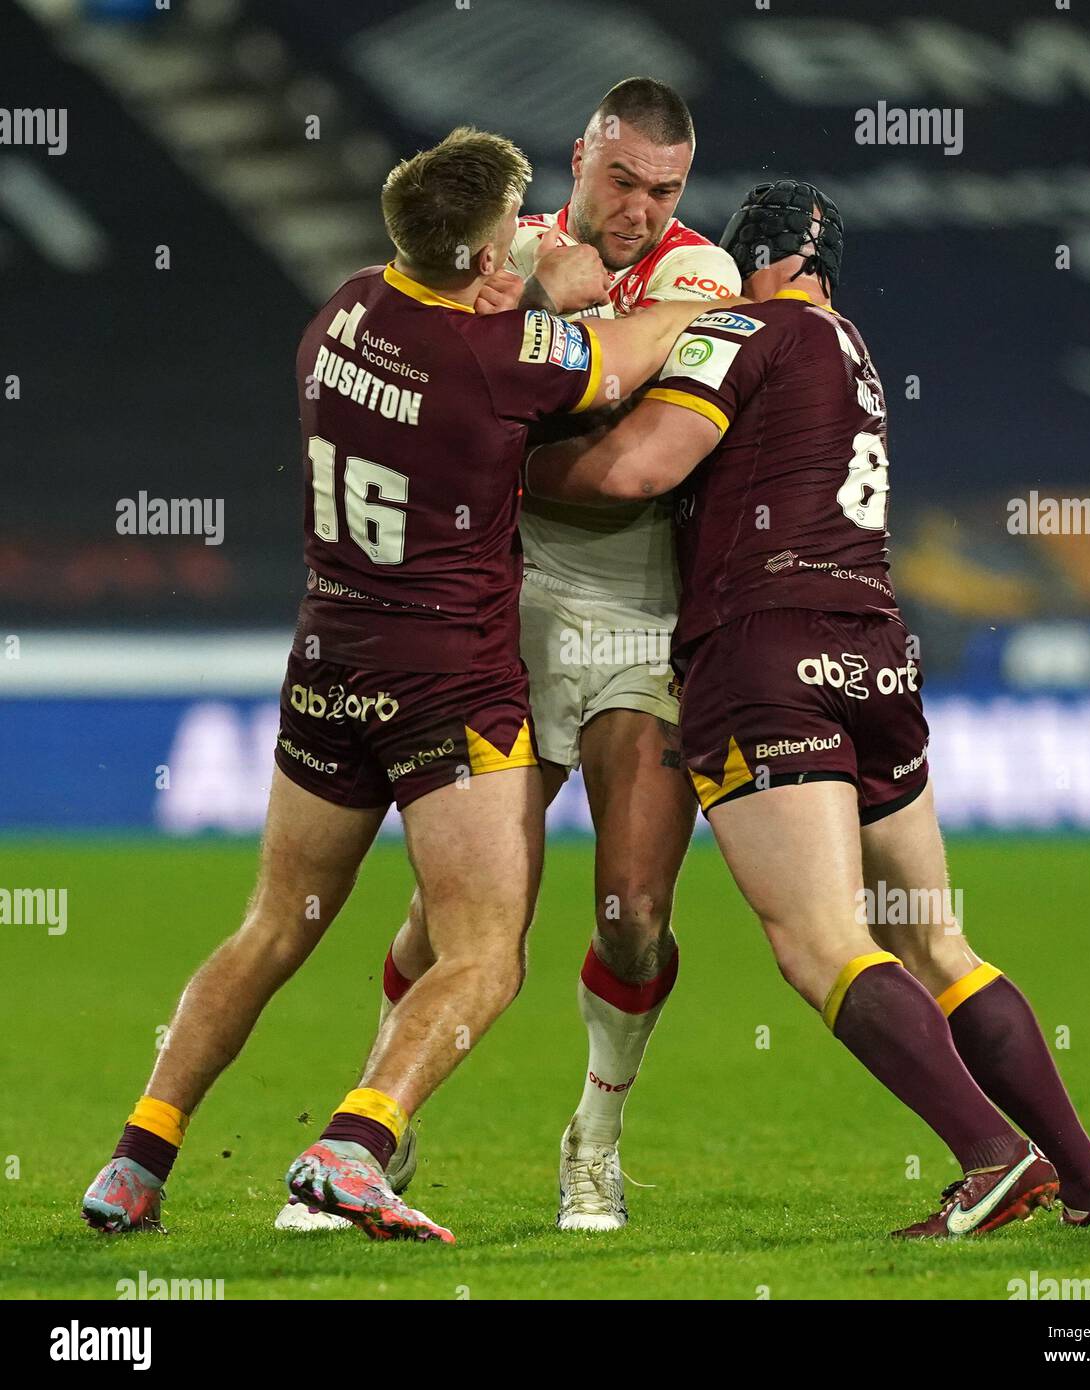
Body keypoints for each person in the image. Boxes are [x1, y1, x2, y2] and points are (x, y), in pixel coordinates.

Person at [80, 126, 732, 1243]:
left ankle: (136, 1158)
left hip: (328, 662)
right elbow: (622, 362)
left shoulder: (339, 313)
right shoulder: (501, 361)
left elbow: (471, 322)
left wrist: (526, 290)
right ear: (486, 260)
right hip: (447, 679)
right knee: (484, 951)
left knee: (273, 926)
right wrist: (694, 307)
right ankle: (357, 1142)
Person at [525, 179, 1090, 1236]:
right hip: (874, 653)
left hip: (763, 646)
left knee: (821, 941)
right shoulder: (852, 350)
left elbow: (639, 466)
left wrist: (496, 469)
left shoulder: (743, 324)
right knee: (936, 941)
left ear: (750, 259)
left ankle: (991, 1158)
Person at [282, 78, 742, 1235]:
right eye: (622, 178)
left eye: (665, 188)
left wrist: (482, 454)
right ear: (580, 153)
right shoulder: (509, 244)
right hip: (512, 609)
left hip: (643, 612)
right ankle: (377, 1123)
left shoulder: (701, 277)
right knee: (458, 917)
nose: (639, 208)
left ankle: (593, 1139)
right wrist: (532, 315)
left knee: (632, 907)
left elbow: (640, 456)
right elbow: (429, 373)